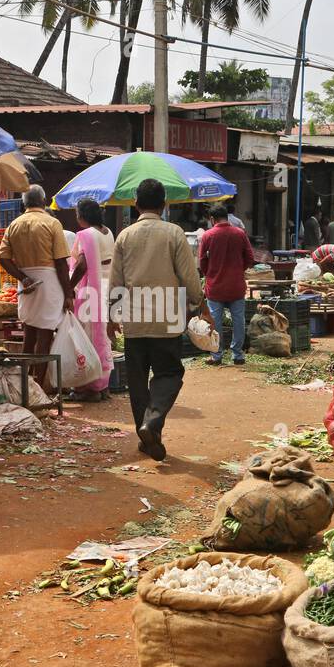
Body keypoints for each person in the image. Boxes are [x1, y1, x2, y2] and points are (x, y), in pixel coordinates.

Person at [108, 179, 207, 460]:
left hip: (134, 320)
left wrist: (110, 317)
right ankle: (151, 425)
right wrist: (198, 302)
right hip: (167, 320)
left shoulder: (124, 236)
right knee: (169, 374)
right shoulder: (174, 233)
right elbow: (189, 276)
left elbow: (115, 281)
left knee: (137, 381)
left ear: (136, 204)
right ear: (164, 205)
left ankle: (148, 433)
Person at [0, 185, 74, 389]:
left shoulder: (14, 224)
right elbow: (60, 263)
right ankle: (38, 386)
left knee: (29, 332)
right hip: (50, 281)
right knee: (45, 334)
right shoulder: (52, 223)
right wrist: (68, 293)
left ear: (24, 203)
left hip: (27, 283)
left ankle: (25, 385)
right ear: (43, 201)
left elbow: (2, 258)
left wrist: (23, 277)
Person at [67, 198, 116, 399]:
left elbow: (82, 265)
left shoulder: (87, 234)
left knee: (86, 337)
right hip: (105, 287)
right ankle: (102, 384)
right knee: (101, 336)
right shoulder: (108, 231)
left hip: (90, 292)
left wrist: (68, 287)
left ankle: (89, 386)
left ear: (81, 216)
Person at [198, 203, 254, 366]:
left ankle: (216, 355)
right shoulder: (240, 233)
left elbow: (202, 261)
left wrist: (210, 273)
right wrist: (238, 269)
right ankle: (237, 355)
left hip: (215, 286)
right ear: (227, 217)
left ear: (212, 219)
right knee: (238, 320)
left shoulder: (208, 236)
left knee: (215, 321)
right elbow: (250, 258)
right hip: (236, 285)